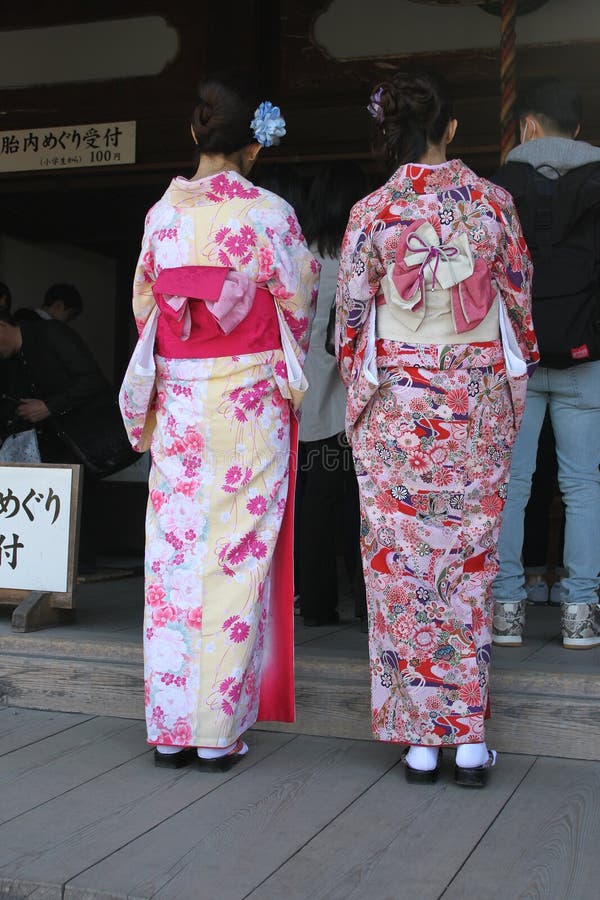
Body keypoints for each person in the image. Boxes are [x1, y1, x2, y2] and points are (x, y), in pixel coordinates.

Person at [335, 69, 537, 787]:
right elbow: (516, 300)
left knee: (401, 566)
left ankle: (420, 742)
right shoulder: (494, 203)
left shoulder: (372, 211)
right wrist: (509, 380)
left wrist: (364, 395)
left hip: (397, 403)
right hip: (473, 398)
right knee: (468, 561)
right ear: (451, 130)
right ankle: (470, 742)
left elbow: (352, 323)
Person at [119, 74, 319, 770]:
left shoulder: (160, 217)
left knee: (175, 554)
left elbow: (147, 308)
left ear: (195, 137)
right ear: (253, 149)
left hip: (180, 400)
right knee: (237, 554)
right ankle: (215, 731)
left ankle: (171, 725)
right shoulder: (271, 215)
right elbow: (299, 302)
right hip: (247, 401)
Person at [492, 79, 600, 650]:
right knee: (584, 486)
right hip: (587, 357)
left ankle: (506, 609)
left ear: (530, 126)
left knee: (513, 485)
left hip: (518, 359)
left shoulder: (500, 186)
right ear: (578, 129)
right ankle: (581, 612)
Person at [297, 162, 368, 627]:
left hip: (310, 411)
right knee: (358, 512)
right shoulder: (359, 255)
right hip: (357, 410)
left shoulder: (301, 257)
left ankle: (317, 605)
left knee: (312, 514)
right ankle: (367, 606)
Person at [15, 283, 83, 324]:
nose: (67, 321)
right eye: (69, 315)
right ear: (59, 306)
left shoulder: (22, 316)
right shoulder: (49, 330)